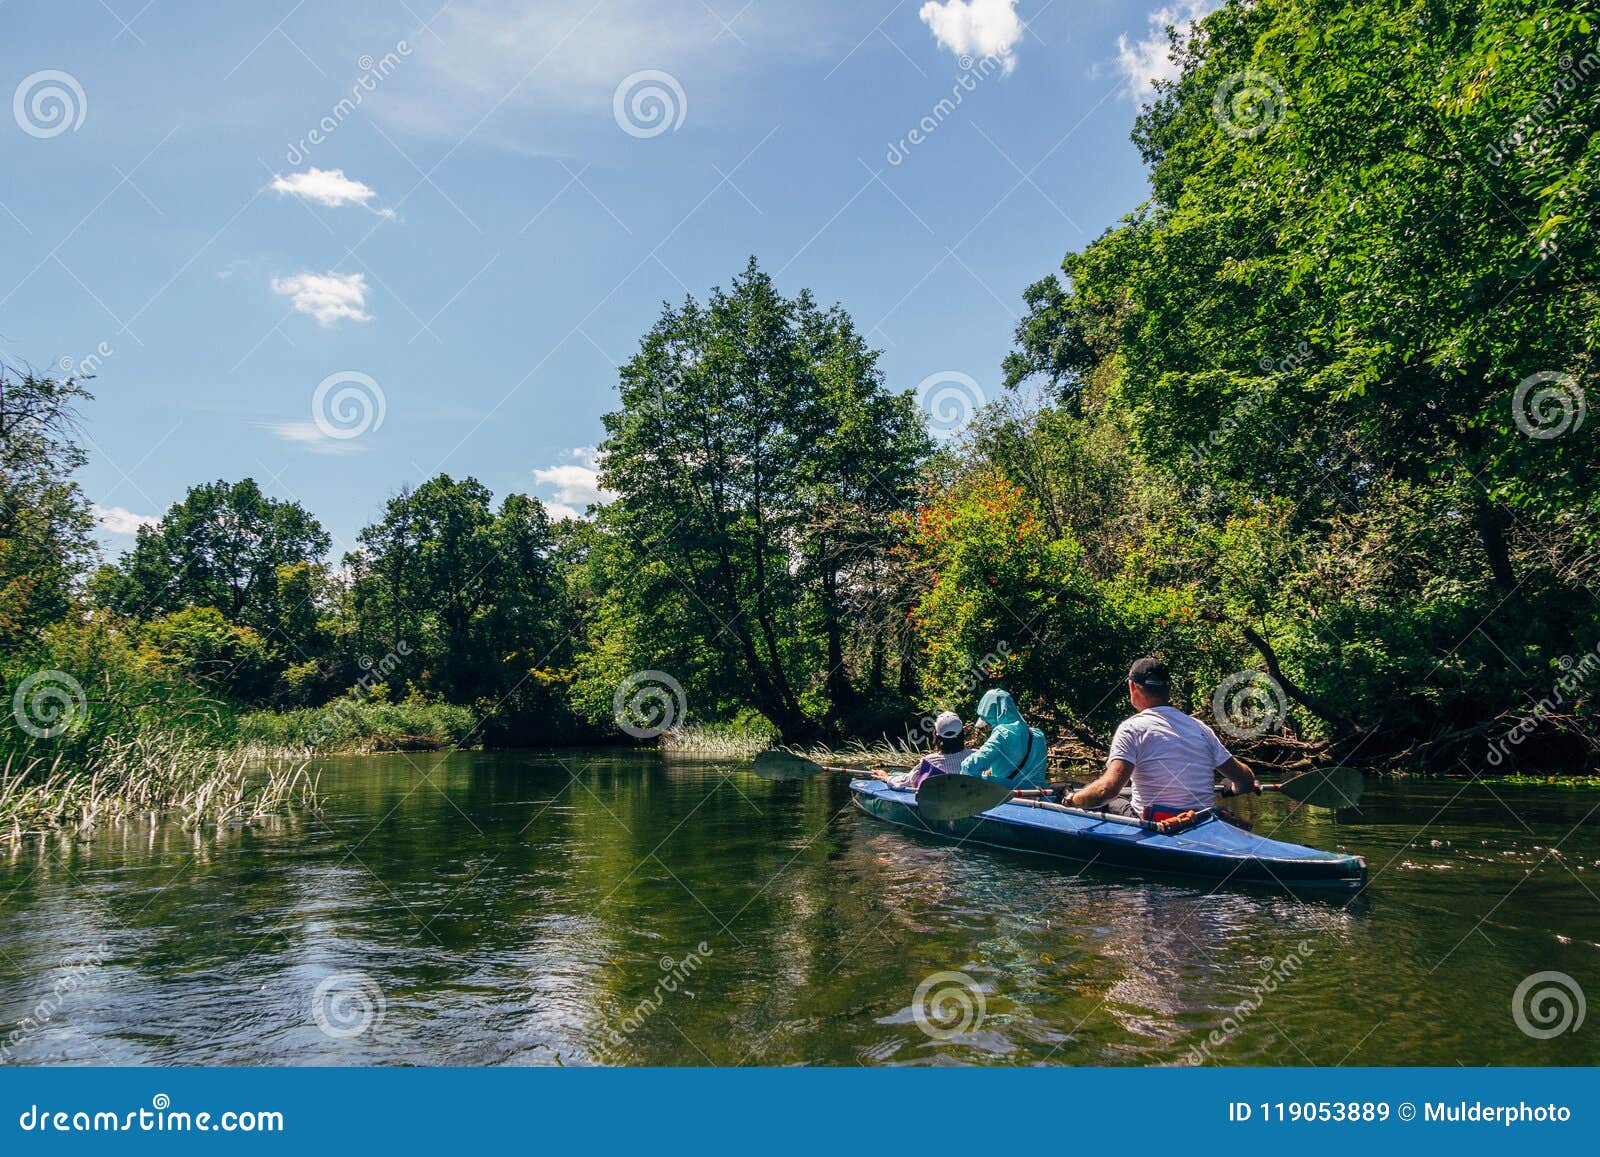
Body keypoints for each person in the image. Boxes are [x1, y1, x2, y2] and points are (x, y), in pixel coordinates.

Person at [1064, 657, 1259, 818]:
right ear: (1169, 689)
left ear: (1133, 687)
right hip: (1202, 820)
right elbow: (1245, 781)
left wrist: (1072, 799)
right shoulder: (1201, 729)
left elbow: (1105, 791)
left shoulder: (1131, 728)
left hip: (1157, 824)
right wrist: (1232, 789)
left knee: (1107, 800)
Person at [959, 688, 1049, 790]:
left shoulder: (1002, 733)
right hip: (1039, 794)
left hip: (1008, 796)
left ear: (993, 717)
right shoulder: (1038, 735)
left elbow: (969, 768)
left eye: (988, 723)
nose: (988, 728)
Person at [877, 711, 968, 790]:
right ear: (962, 734)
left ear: (936, 736)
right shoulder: (976, 756)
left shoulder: (930, 761)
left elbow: (907, 781)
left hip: (939, 804)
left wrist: (887, 778)